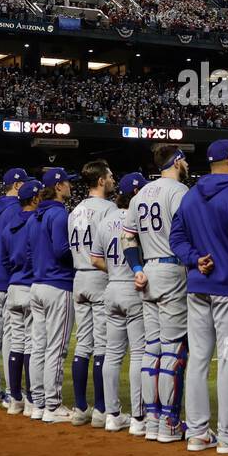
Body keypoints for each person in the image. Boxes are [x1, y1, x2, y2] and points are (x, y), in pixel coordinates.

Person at [170, 138, 228, 455]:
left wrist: (195, 259)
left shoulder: (191, 198)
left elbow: (175, 238)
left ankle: (196, 433)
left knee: (198, 359)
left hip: (198, 287)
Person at [122, 144, 190, 443]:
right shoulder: (178, 191)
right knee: (173, 349)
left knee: (152, 349)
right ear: (176, 162)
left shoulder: (140, 194)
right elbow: (188, 233)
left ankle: (151, 418)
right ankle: (169, 422)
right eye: (184, 159)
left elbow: (127, 237)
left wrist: (136, 267)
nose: (186, 163)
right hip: (171, 268)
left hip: (146, 270)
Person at [92, 172, 148, 434]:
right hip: (133, 288)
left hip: (111, 287)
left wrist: (114, 273)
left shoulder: (105, 220)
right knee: (138, 353)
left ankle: (112, 415)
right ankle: (138, 418)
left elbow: (95, 259)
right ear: (136, 193)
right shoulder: (139, 218)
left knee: (112, 354)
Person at [68, 160, 117, 426]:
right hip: (99, 276)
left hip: (79, 276)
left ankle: (79, 408)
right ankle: (100, 410)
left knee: (83, 344)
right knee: (102, 345)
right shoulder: (109, 209)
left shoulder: (73, 211)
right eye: (109, 176)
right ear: (100, 180)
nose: (112, 179)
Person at [30, 167, 78, 423]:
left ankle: (37, 404)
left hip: (36, 285)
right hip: (58, 284)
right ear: (59, 186)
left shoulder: (34, 216)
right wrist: (80, 258)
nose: (71, 186)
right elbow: (62, 251)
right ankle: (52, 405)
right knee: (56, 349)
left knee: (39, 347)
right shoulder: (59, 214)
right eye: (68, 182)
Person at [0, 168, 27, 406]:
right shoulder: (16, 209)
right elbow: (16, 246)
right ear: (18, 186)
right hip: (9, 277)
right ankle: (12, 390)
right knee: (12, 335)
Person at [2, 179, 43, 417]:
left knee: (16, 343)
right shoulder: (36, 223)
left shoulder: (9, 227)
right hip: (30, 286)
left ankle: (15, 398)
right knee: (30, 344)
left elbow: (6, 258)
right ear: (35, 199)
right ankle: (30, 399)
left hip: (13, 286)